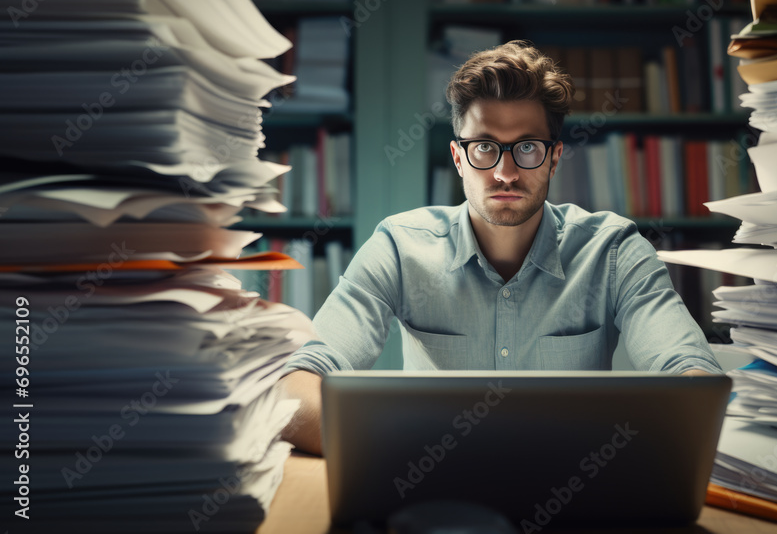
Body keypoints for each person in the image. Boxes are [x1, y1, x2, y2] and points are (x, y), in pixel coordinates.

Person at [278, 40, 722, 454]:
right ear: (457, 158)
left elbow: (691, 379)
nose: (505, 172)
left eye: (527, 148)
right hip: (431, 489)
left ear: (554, 157)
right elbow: (294, 383)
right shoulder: (398, 246)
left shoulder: (614, 250)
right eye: (485, 148)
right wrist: (411, 452)